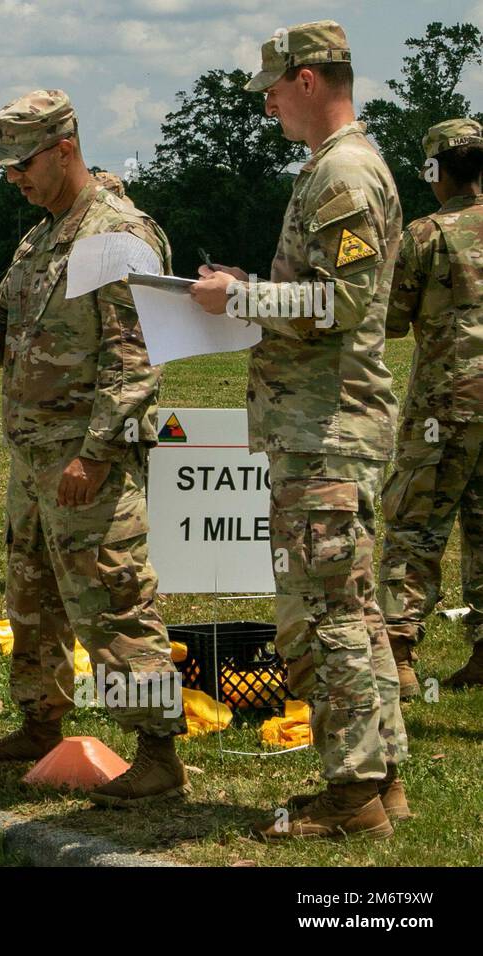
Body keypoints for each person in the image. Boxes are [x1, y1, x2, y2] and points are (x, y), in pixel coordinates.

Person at [0, 90, 189, 807]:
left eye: (22, 162)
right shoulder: (41, 237)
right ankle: (39, 723)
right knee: (34, 601)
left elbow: (135, 357)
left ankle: (156, 753)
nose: (13, 177)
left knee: (112, 601)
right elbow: (11, 343)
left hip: (88, 465)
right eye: (7, 166)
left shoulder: (117, 235)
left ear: (64, 149)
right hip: (35, 462)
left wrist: (98, 453)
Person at [189, 21, 409, 840]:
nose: (268, 102)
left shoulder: (343, 173)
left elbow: (342, 307)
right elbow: (323, 291)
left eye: (275, 87)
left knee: (324, 617)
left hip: (325, 428)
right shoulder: (335, 168)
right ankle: (383, 783)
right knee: (353, 605)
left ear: (310, 80)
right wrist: (250, 284)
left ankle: (351, 795)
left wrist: (237, 302)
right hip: (326, 426)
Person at [378, 118, 483, 695]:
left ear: (436, 171)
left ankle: (398, 656)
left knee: (415, 525)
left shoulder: (425, 235)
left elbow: (392, 320)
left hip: (446, 405)